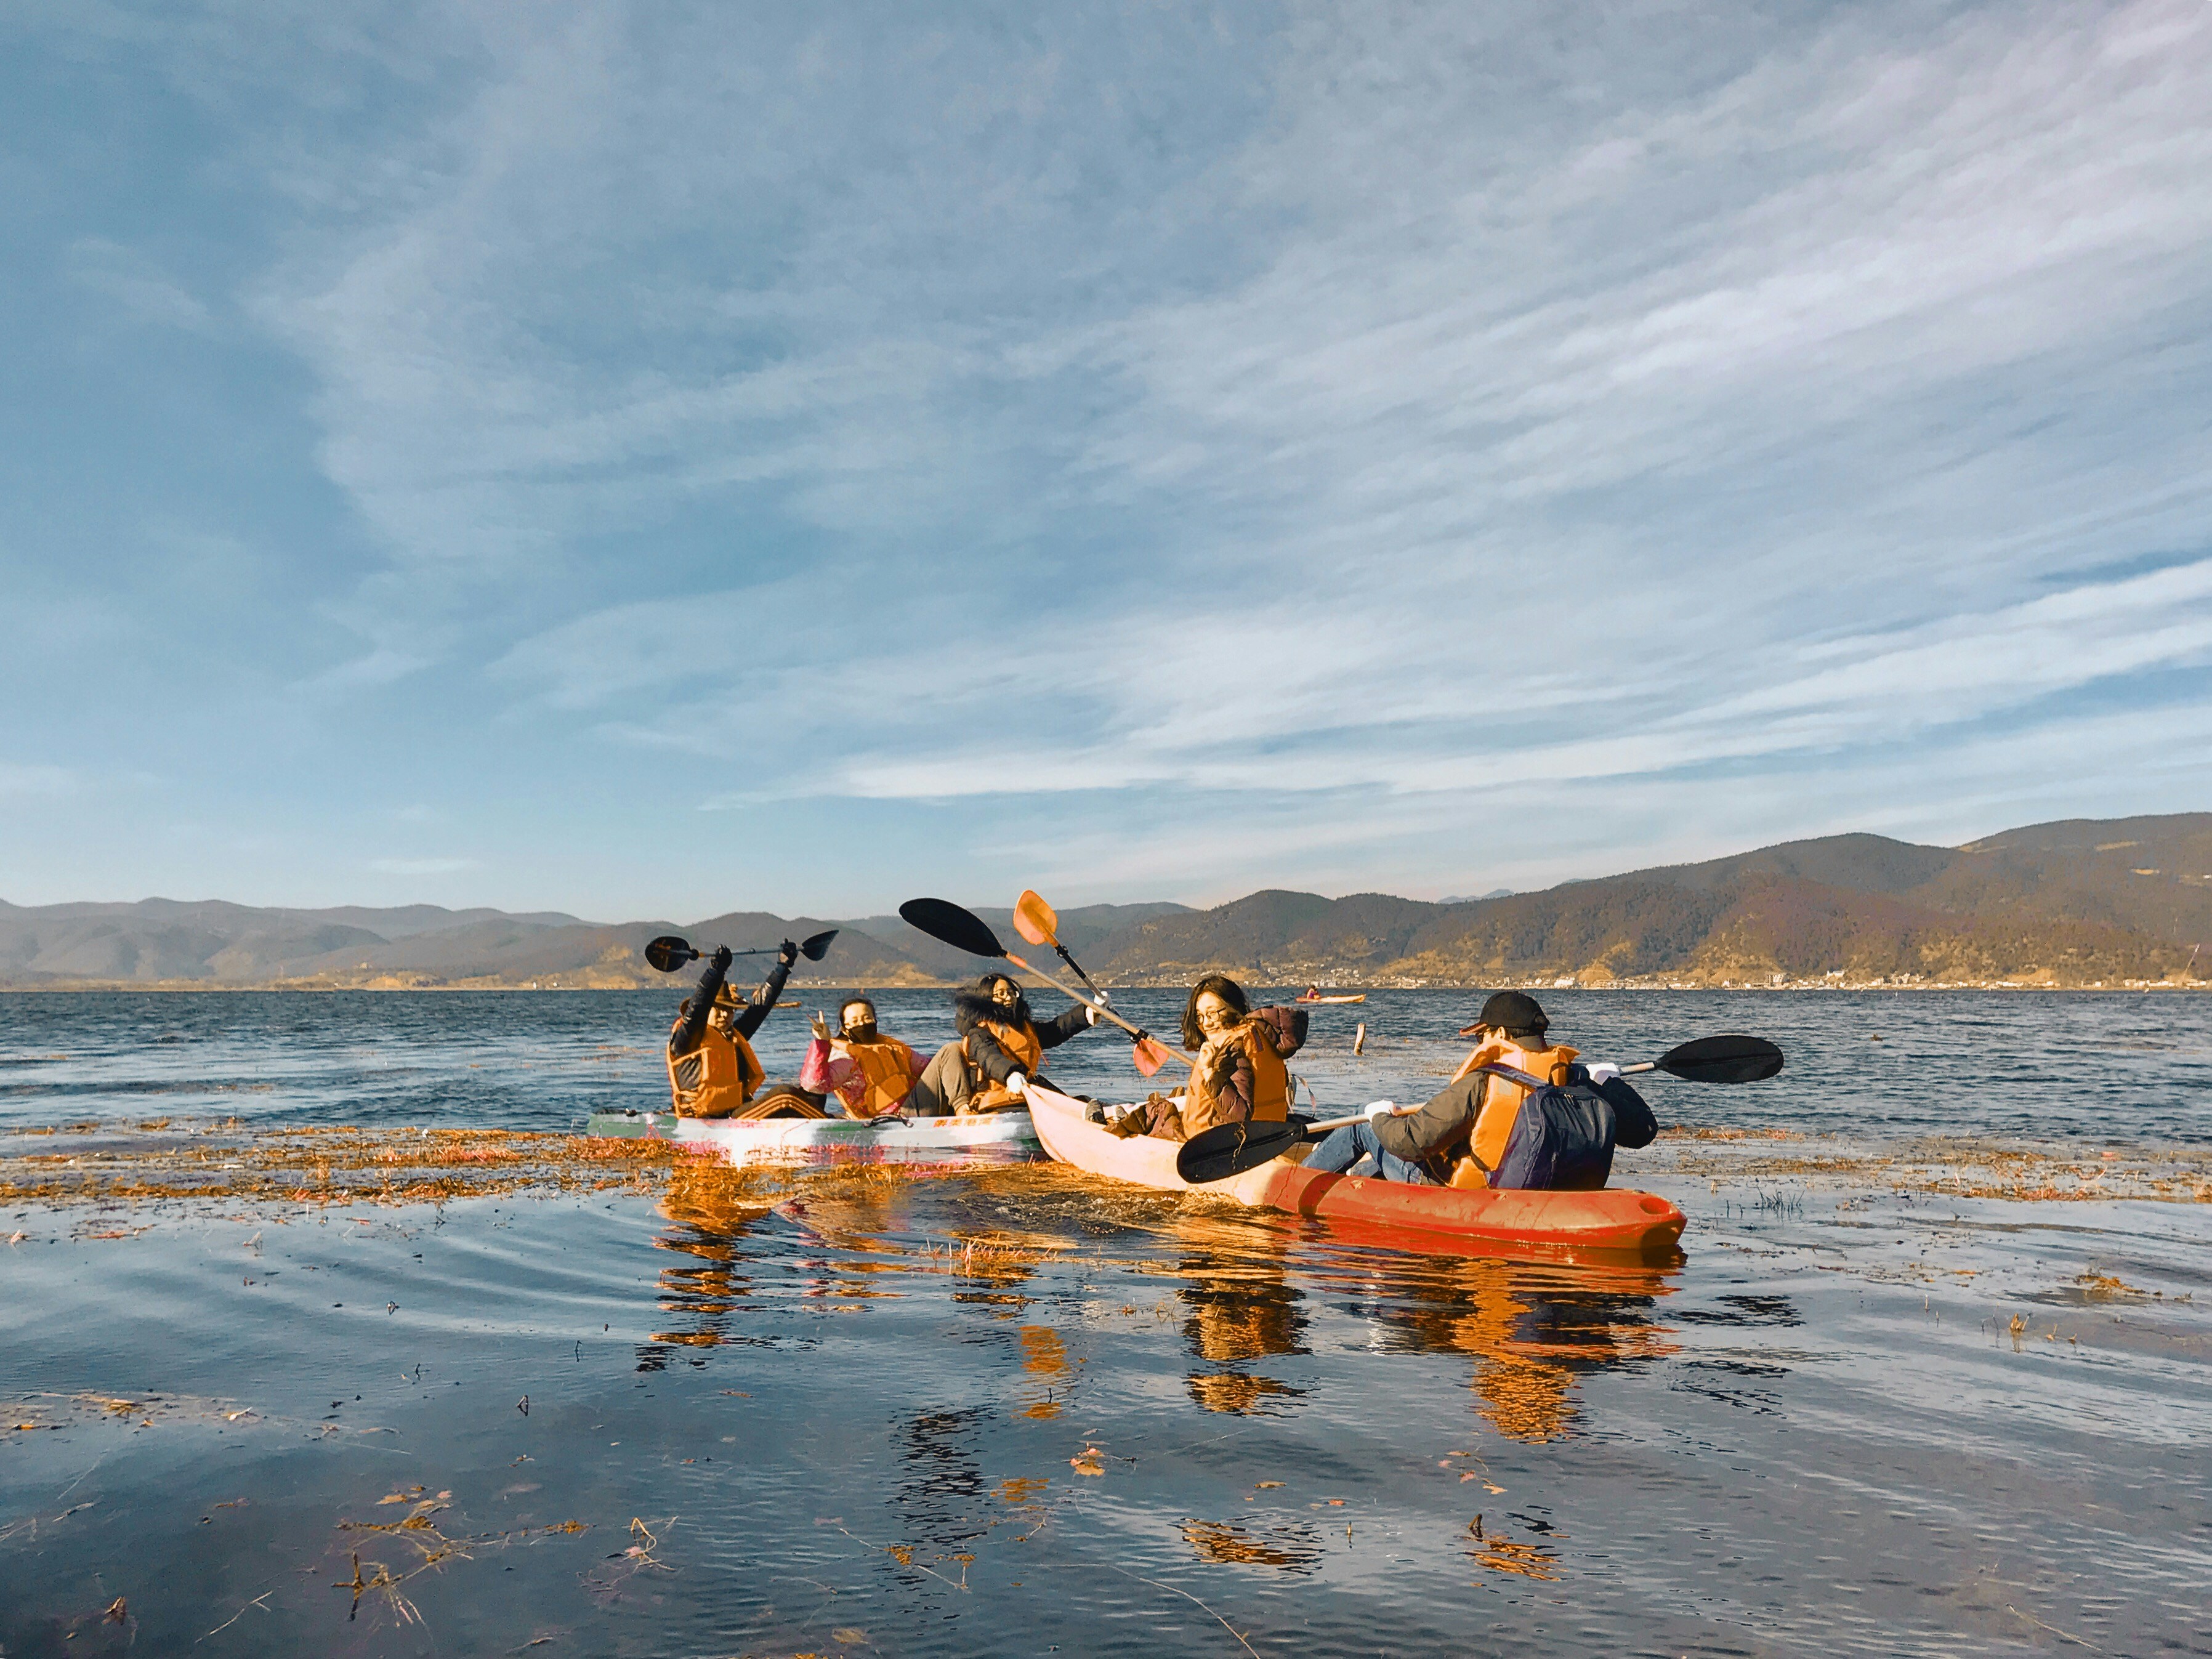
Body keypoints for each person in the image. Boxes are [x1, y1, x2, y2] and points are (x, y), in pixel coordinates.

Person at [1303, 990, 1582, 1184]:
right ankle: (1358, 1180)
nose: (1480, 1044)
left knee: (1361, 1123)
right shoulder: (1565, 1076)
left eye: (1481, 1037)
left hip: (1447, 1184)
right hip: (1517, 1177)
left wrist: (1377, 1117)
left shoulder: (1483, 1082)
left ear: (1501, 1035)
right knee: (1382, 1142)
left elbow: (1412, 1142)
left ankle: (1296, 1181)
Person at [1112, 975, 1308, 1143]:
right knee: (1165, 1105)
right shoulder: (1260, 1033)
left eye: (1213, 1013)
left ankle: (1110, 1127)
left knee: (1158, 1113)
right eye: (1200, 1016)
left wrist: (1210, 1074)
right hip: (1267, 1139)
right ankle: (1119, 1119)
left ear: (1232, 1008)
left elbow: (1241, 1116)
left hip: (1215, 1145)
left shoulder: (1232, 1047)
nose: (1206, 1023)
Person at [907, 972, 1102, 1116]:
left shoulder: (1024, 1029)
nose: (1008, 997)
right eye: (1000, 993)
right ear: (986, 999)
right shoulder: (979, 1032)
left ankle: (1099, 1117)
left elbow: (1057, 1029)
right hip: (996, 1102)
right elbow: (988, 1056)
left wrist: (1088, 1012)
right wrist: (1010, 1074)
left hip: (1024, 1097)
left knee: (1077, 1103)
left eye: (1010, 992)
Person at [666, 939, 813, 1118]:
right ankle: (830, 1129)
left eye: (730, 1010)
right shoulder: (687, 1039)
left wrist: (783, 967)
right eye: (718, 1009)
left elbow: (759, 1008)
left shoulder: (732, 1037)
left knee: (800, 1097)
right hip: (699, 1118)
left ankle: (828, 1123)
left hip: (732, 1116)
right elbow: (697, 1008)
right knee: (785, 1095)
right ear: (707, 1011)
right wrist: (716, 971)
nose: (725, 1015)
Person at [800, 996, 926, 1120]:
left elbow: (928, 1067)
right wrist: (822, 1043)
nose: (862, 1024)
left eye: (867, 1019)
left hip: (916, 1104)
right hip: (886, 1117)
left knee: (945, 1056)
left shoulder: (892, 1047)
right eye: (854, 1021)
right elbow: (814, 1085)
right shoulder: (846, 1056)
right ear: (845, 1030)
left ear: (875, 1021)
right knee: (946, 1053)